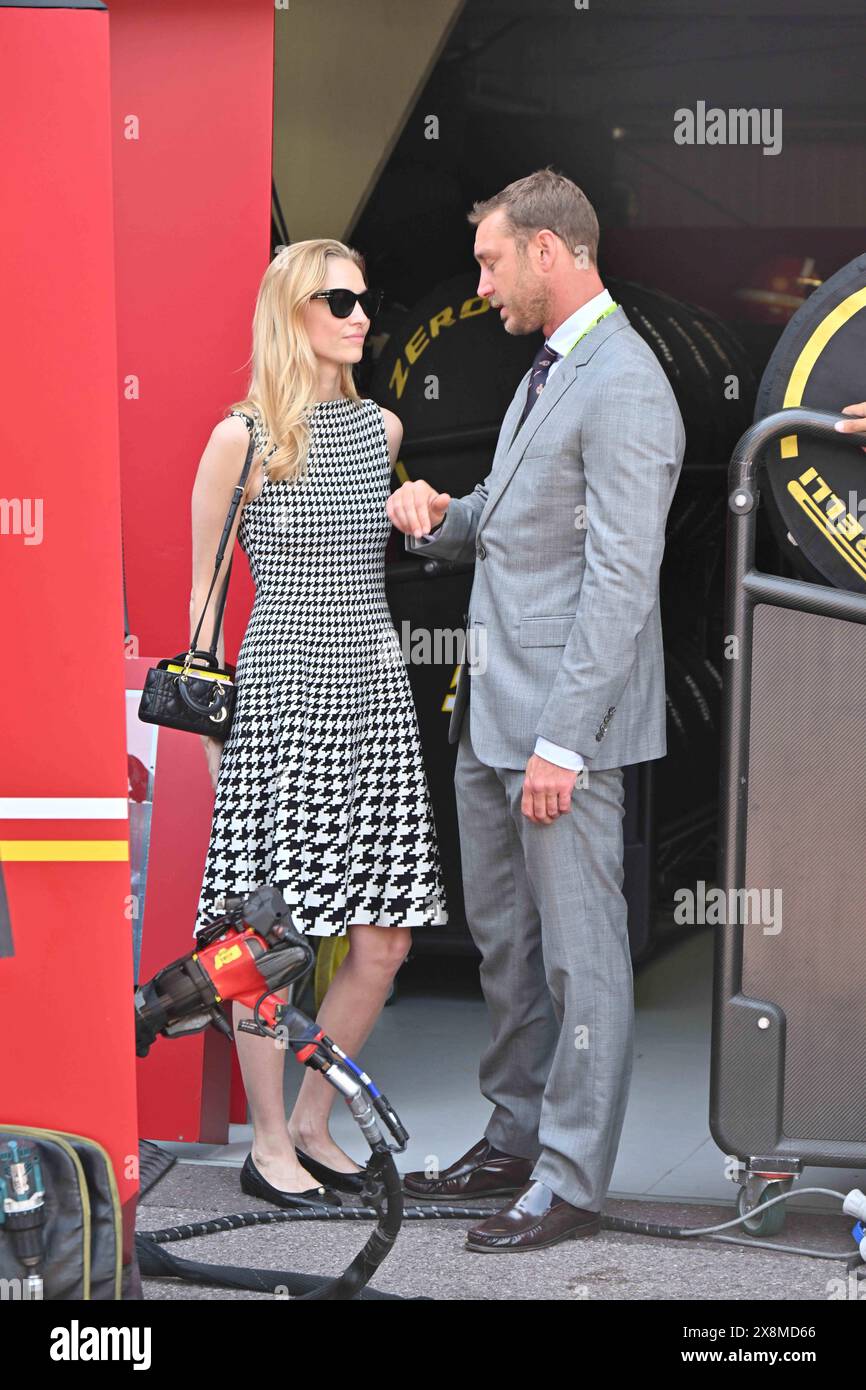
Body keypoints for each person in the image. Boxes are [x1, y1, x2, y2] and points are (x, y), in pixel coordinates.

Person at [387, 168, 685, 1252]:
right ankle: (513, 1137)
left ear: (549, 253)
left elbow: (617, 578)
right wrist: (439, 514)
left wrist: (563, 739)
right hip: (493, 722)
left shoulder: (625, 382)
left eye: (490, 262)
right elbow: (515, 520)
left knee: (579, 956)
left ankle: (566, 1178)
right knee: (505, 949)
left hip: (560, 733)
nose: (481, 286)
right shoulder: (549, 368)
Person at [189, 239, 448, 1209]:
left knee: (384, 937)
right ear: (290, 312)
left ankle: (311, 1118)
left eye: (362, 298)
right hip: (282, 704)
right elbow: (201, 600)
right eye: (335, 299)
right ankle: (265, 1145)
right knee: (271, 940)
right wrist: (220, 742)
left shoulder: (379, 430)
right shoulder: (242, 438)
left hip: (374, 700)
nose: (358, 315)